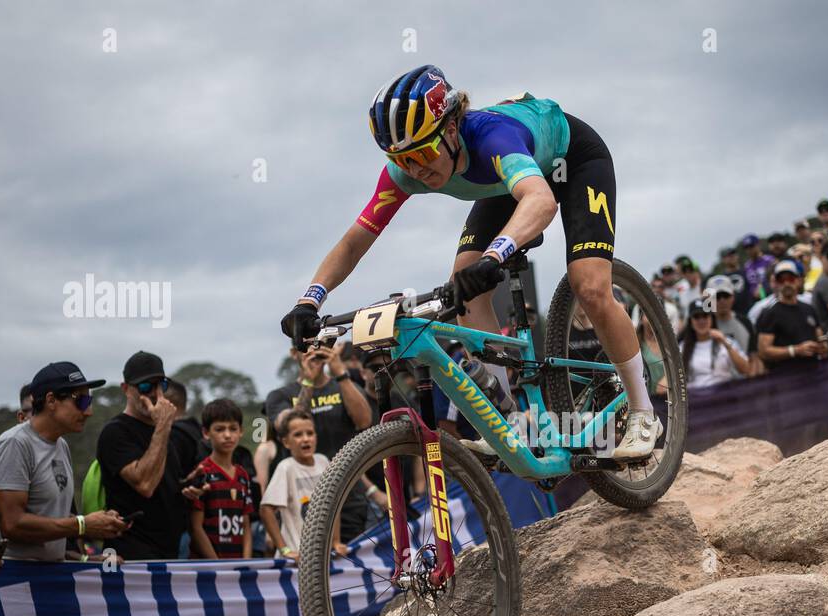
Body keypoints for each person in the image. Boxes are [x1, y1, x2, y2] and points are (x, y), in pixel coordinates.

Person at [279, 65, 660, 460]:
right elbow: (355, 240)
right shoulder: (407, 170)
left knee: (590, 285)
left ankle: (643, 412)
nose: (416, 170)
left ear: (450, 129)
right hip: (508, 182)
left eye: (422, 154)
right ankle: (508, 422)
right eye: (403, 161)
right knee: (464, 284)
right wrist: (310, 300)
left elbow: (541, 200)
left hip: (573, 161)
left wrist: (496, 255)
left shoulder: (491, 138)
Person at [0, 363, 126, 561]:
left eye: (89, 401)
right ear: (51, 400)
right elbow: (12, 525)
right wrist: (82, 525)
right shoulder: (15, 443)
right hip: (9, 575)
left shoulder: (61, 446)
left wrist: (96, 531)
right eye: (81, 402)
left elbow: (51, 522)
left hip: (47, 574)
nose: (88, 411)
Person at [96, 351, 189, 560]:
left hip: (169, 551)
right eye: (145, 387)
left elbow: (167, 485)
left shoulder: (164, 432)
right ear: (126, 389)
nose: (155, 393)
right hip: (131, 555)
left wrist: (191, 487)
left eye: (161, 385)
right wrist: (163, 425)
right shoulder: (115, 432)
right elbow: (145, 484)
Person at [260, 409, 348, 560]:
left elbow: (335, 504)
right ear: (286, 442)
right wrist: (284, 550)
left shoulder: (323, 462)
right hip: (296, 557)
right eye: (298, 435)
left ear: (316, 436)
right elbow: (266, 509)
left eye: (310, 433)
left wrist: (336, 541)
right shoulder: (286, 467)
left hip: (321, 556)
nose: (305, 439)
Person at [188, 399, 254, 560]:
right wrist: (218, 565)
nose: (227, 435)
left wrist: (245, 562)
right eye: (219, 429)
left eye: (233, 429)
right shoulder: (202, 473)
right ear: (206, 433)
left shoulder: (243, 475)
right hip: (208, 568)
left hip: (237, 567)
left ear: (241, 432)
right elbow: (196, 528)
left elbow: (245, 524)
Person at [755, 261, 828, 367]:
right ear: (776, 283)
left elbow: (819, 333)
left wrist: (823, 344)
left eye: (790, 279)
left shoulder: (808, 308)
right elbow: (763, 351)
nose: (786, 283)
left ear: (798, 281)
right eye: (782, 280)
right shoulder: (769, 313)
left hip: (814, 371)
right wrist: (795, 350)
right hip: (787, 376)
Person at [679, 300, 749, 389]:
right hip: (695, 398)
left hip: (723, 397)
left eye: (705, 316)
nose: (701, 321)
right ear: (690, 322)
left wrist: (725, 343)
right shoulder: (682, 348)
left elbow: (746, 370)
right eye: (696, 317)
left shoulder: (726, 341)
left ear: (712, 318)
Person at [703, 274, 755, 366]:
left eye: (726, 296)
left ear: (733, 297)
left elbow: (754, 356)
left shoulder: (745, 322)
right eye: (717, 297)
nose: (722, 301)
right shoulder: (702, 326)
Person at [740, 233, 776, 303]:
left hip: (772, 297)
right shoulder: (747, 266)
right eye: (746, 248)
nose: (749, 250)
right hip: (755, 302)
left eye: (751, 246)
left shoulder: (770, 260)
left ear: (758, 245)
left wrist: (764, 288)